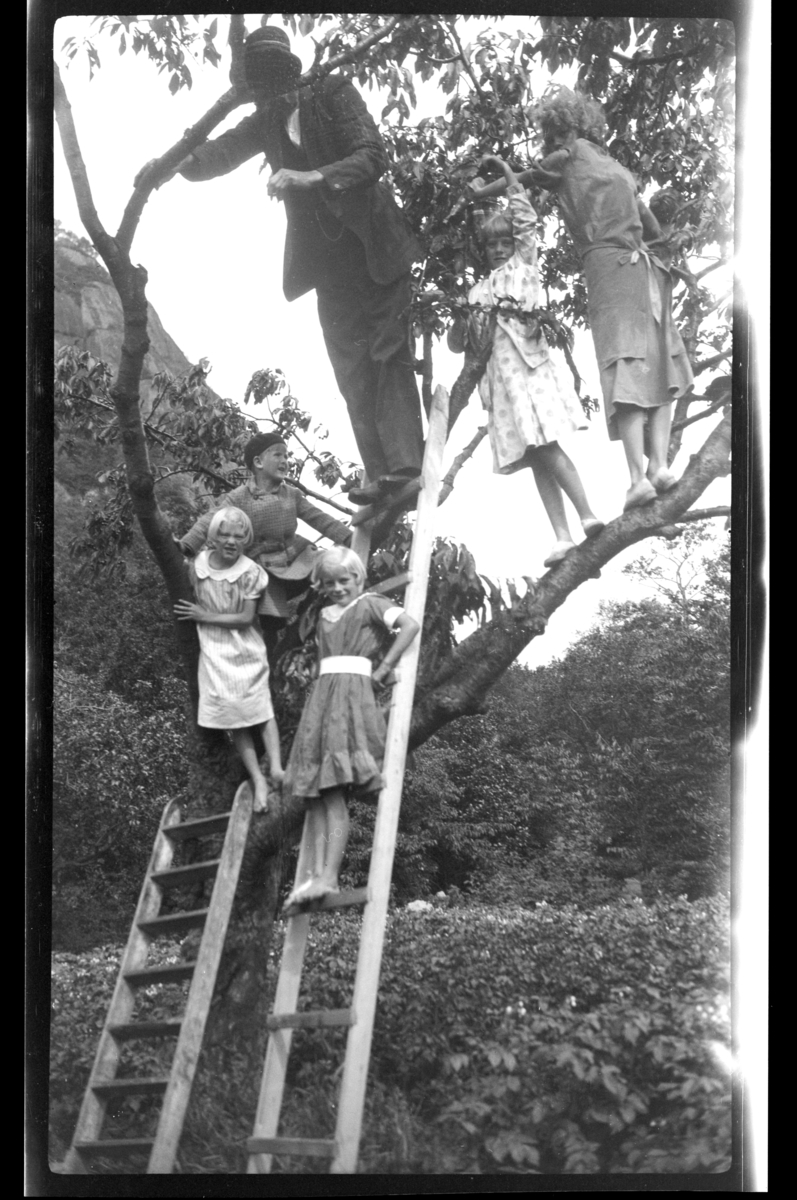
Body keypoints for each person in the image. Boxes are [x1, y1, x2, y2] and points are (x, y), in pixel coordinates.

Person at [147, 24, 424, 505]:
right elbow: (221, 152)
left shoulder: (332, 93)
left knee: (386, 354)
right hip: (328, 265)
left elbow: (372, 156)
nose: (266, 90)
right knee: (350, 368)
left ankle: (405, 466)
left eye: (271, 77)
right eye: (258, 82)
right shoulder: (266, 117)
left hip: (375, 248)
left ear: (289, 72)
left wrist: (311, 175)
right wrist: (170, 165)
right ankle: (380, 475)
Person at [470, 88, 694, 512]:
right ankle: (653, 468)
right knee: (650, 359)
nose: (554, 140)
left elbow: (520, 180)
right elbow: (653, 230)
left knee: (632, 361)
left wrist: (483, 189)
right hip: (637, 267)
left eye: (554, 132)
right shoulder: (619, 170)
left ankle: (642, 474)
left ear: (564, 128)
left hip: (615, 266)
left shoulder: (567, 156)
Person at [449, 156, 603, 568]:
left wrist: (504, 171)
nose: (499, 250)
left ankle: (588, 513)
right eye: (492, 246)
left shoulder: (524, 268)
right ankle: (561, 535)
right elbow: (461, 345)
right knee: (535, 455)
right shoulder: (477, 290)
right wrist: (454, 310)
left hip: (529, 372)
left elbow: (525, 219)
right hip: (501, 383)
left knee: (547, 446)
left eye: (505, 243)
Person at [282, 547, 419, 905]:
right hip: (323, 699)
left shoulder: (371, 603)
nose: (338, 587)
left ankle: (329, 876)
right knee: (314, 792)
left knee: (332, 792)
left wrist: (385, 668)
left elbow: (410, 626)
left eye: (345, 580)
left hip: (351, 697)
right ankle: (315, 875)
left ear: (358, 578)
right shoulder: (324, 613)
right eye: (329, 582)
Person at [179, 432, 352, 661]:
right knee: (269, 621)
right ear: (258, 462)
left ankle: (318, 615)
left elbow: (320, 519)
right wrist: (187, 544)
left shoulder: (292, 495)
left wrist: (348, 537)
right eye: (277, 455)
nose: (285, 461)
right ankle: (268, 660)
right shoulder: (240, 497)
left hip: (298, 558)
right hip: (265, 570)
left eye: (287, 455)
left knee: (332, 567)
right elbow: (212, 518)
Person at [174, 507, 284, 813]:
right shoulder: (198, 566)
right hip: (213, 651)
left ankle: (275, 767)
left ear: (246, 538)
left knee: (260, 707)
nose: (232, 541)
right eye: (224, 534)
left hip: (244, 647)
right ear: (213, 537)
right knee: (234, 716)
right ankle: (257, 779)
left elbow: (246, 618)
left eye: (238, 535)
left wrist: (203, 615)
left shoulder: (250, 572)